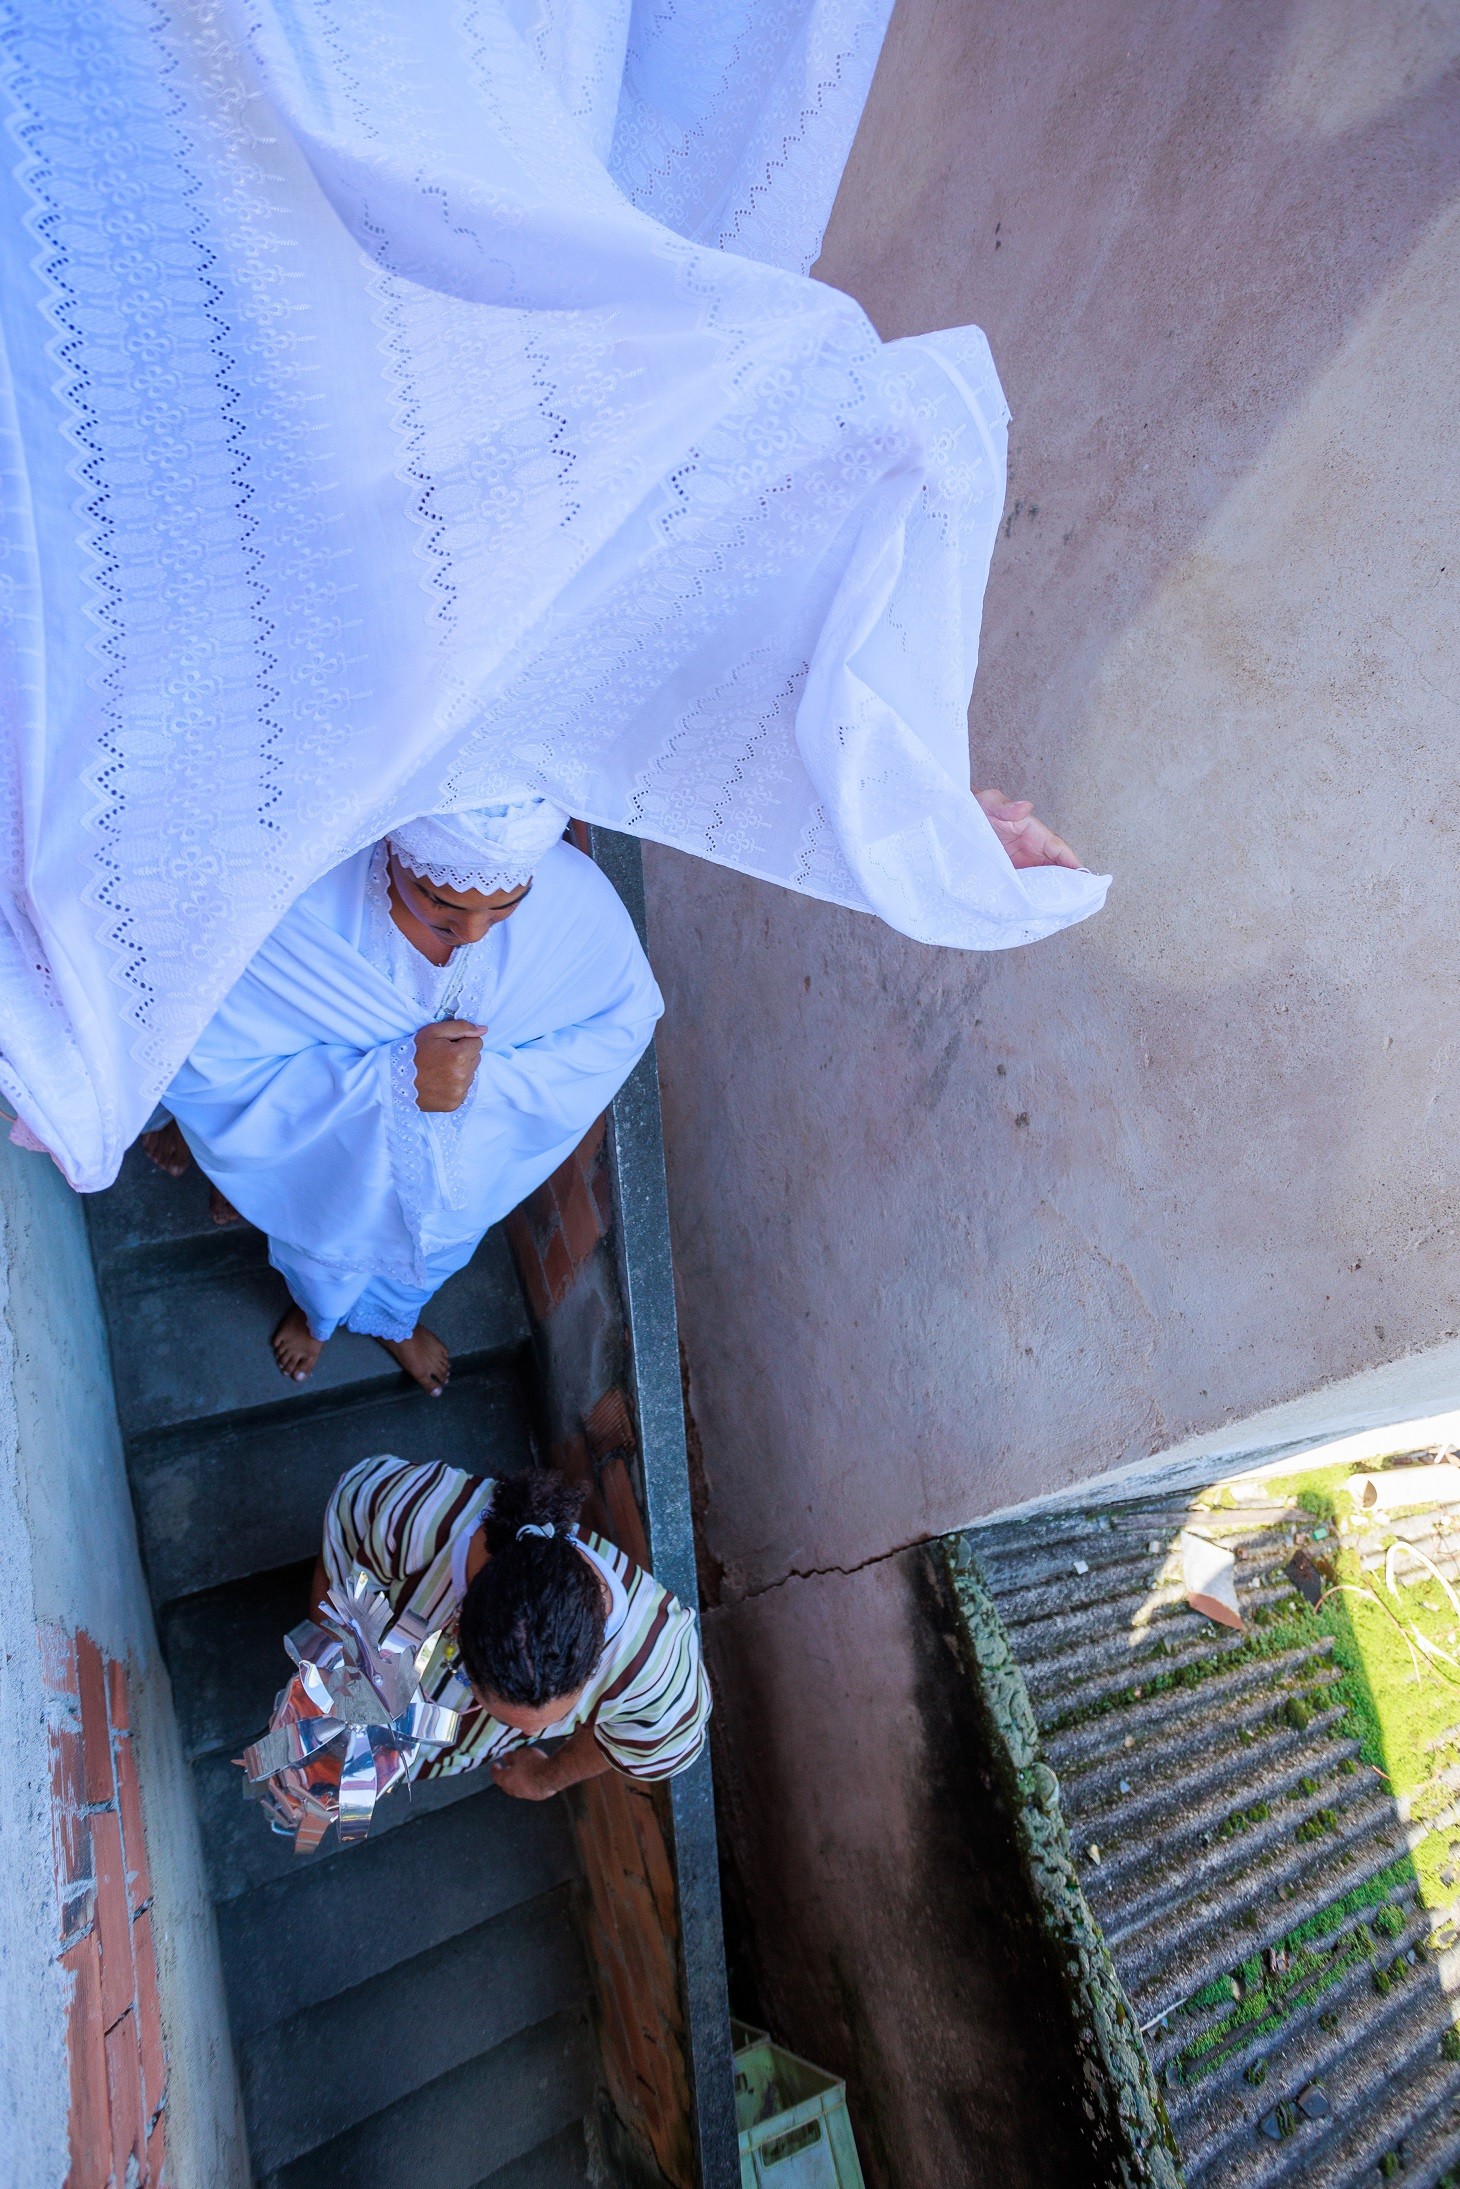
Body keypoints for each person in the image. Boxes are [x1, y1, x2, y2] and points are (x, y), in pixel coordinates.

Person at [145, 796, 661, 1396]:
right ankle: (318, 1318)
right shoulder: (301, 906)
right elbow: (214, 1060)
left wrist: (479, 1083)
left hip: (464, 1166)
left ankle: (394, 1320)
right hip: (332, 1168)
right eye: (439, 902)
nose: (470, 936)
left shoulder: (577, 904)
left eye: (505, 908)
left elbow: (622, 1023)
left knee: (437, 1249)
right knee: (320, 1250)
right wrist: (390, 1081)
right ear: (392, 847)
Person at [312, 1458, 710, 1799]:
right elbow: (351, 1511)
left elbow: (660, 1743)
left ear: (596, 1652)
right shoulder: (414, 1517)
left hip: (443, 1747)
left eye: (543, 1728)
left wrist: (546, 1778)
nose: (540, 1733)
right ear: (457, 1625)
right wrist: (329, 1675)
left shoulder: (659, 1669)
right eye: (497, 1711)